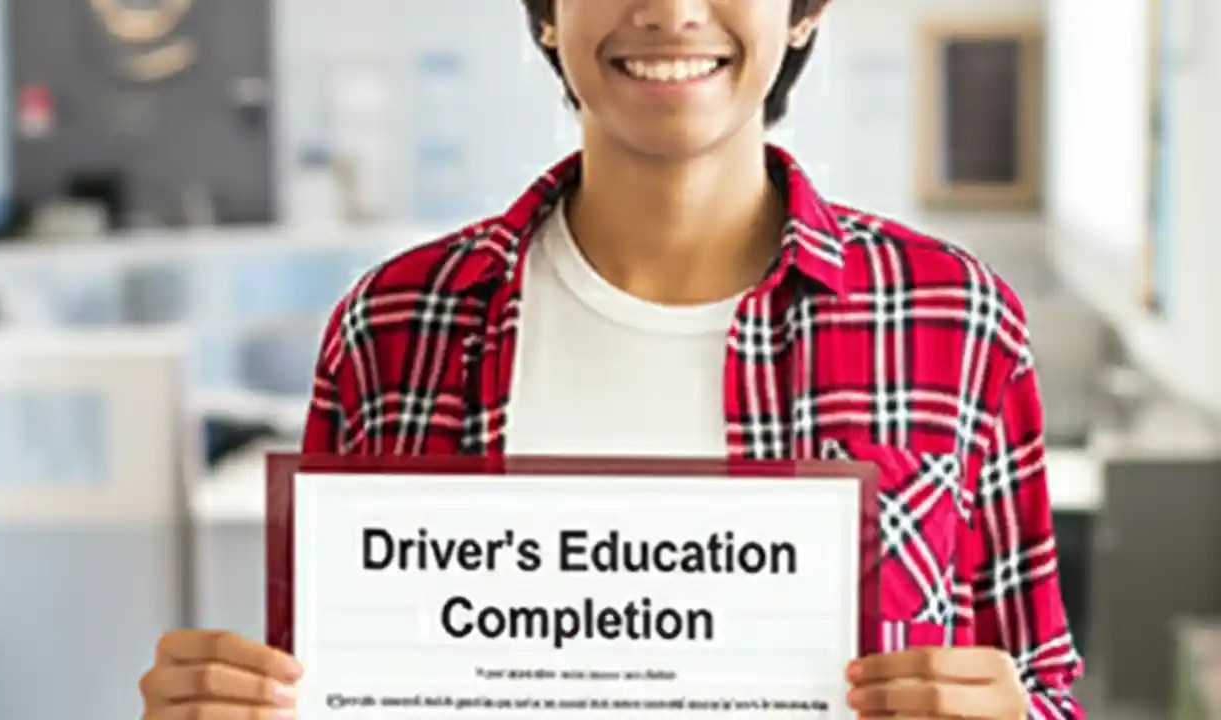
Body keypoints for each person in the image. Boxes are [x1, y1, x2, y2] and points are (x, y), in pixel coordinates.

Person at [140, 0, 1086, 717]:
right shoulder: (392, 327)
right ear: (547, 14)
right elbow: (329, 686)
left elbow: (1043, 683)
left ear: (802, 11)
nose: (670, 9)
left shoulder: (955, 321)